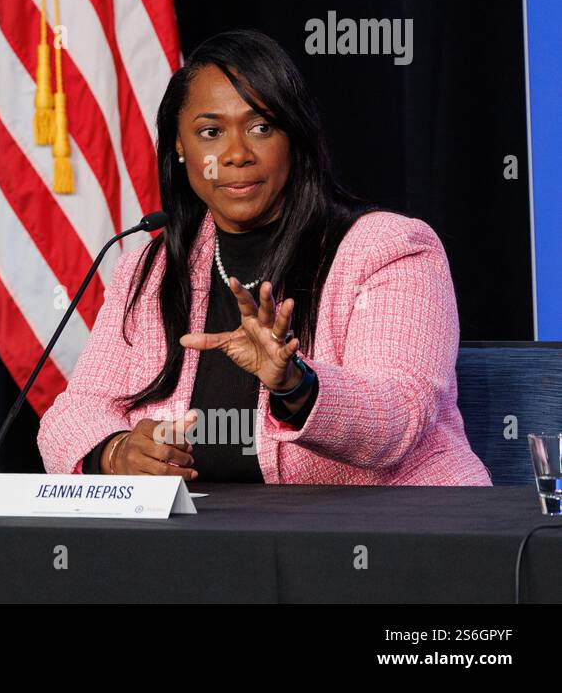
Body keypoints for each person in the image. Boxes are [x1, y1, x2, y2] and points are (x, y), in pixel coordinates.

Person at [37, 29, 490, 485]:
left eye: (261, 128)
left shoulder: (389, 249)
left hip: (397, 535)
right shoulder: (152, 269)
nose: (236, 154)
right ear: (179, 146)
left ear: (293, 136)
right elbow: (73, 413)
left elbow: (398, 419)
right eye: (210, 132)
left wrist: (296, 383)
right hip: (215, 544)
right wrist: (118, 453)